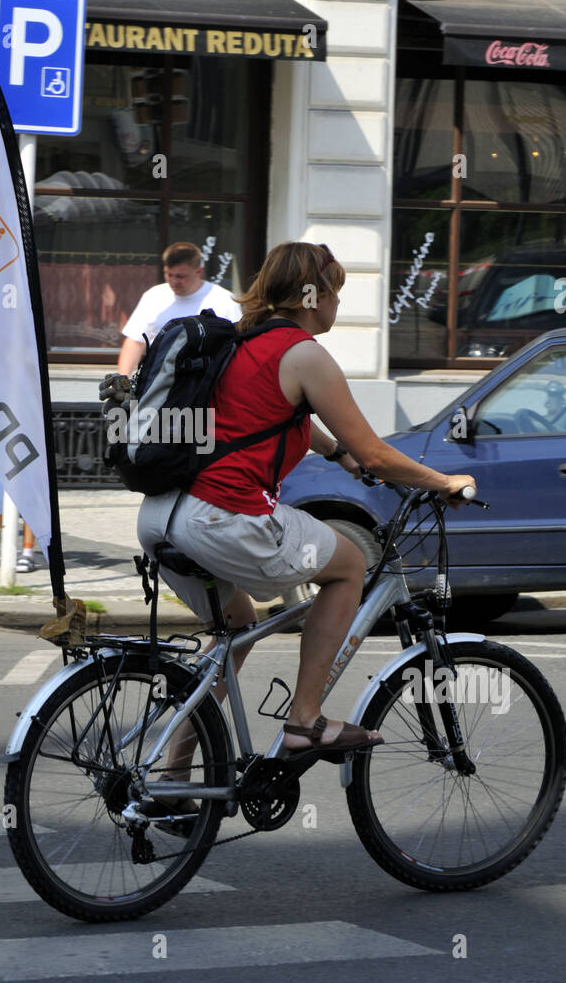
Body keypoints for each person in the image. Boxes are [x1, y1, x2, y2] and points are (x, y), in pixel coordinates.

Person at [136, 241, 475, 793]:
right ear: (312, 296)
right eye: (336, 290)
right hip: (225, 517)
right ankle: (305, 721)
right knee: (347, 567)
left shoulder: (240, 342)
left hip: (162, 517)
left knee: (238, 632)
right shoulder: (305, 354)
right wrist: (444, 482)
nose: (339, 302)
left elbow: (270, 415)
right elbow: (378, 455)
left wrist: (335, 455)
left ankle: (173, 773)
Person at [117, 241, 241, 376]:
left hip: (206, 383)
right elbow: (135, 342)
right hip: (158, 383)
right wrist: (122, 382)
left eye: (181, 276)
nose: (173, 281)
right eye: (169, 275)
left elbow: (237, 347)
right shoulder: (154, 296)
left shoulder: (224, 300)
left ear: (199, 271)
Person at [0, 477, 38, 574]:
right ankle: (7, 540)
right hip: (5, 465)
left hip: (32, 464)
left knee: (30, 506)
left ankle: (27, 553)